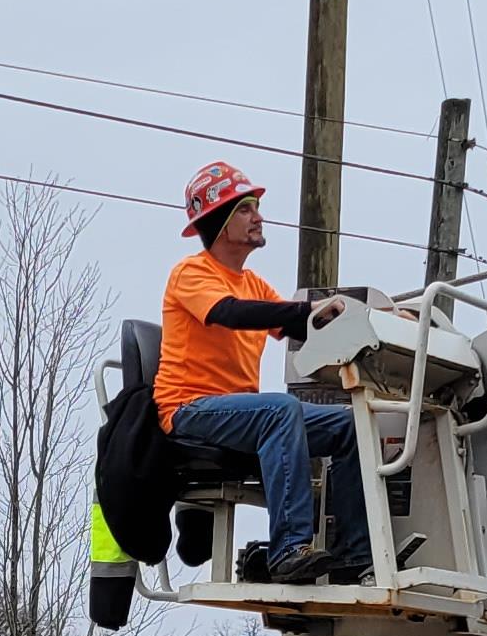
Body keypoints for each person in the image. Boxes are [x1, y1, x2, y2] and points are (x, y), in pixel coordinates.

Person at [155, 162, 367, 583]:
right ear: (219, 221)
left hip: (239, 412)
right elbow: (228, 313)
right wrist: (308, 311)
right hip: (190, 409)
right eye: (246, 208)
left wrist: (376, 317)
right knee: (280, 409)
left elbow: (296, 321)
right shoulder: (192, 273)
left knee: (353, 424)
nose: (258, 216)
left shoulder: (253, 283)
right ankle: (289, 550)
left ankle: (353, 557)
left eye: (256, 207)